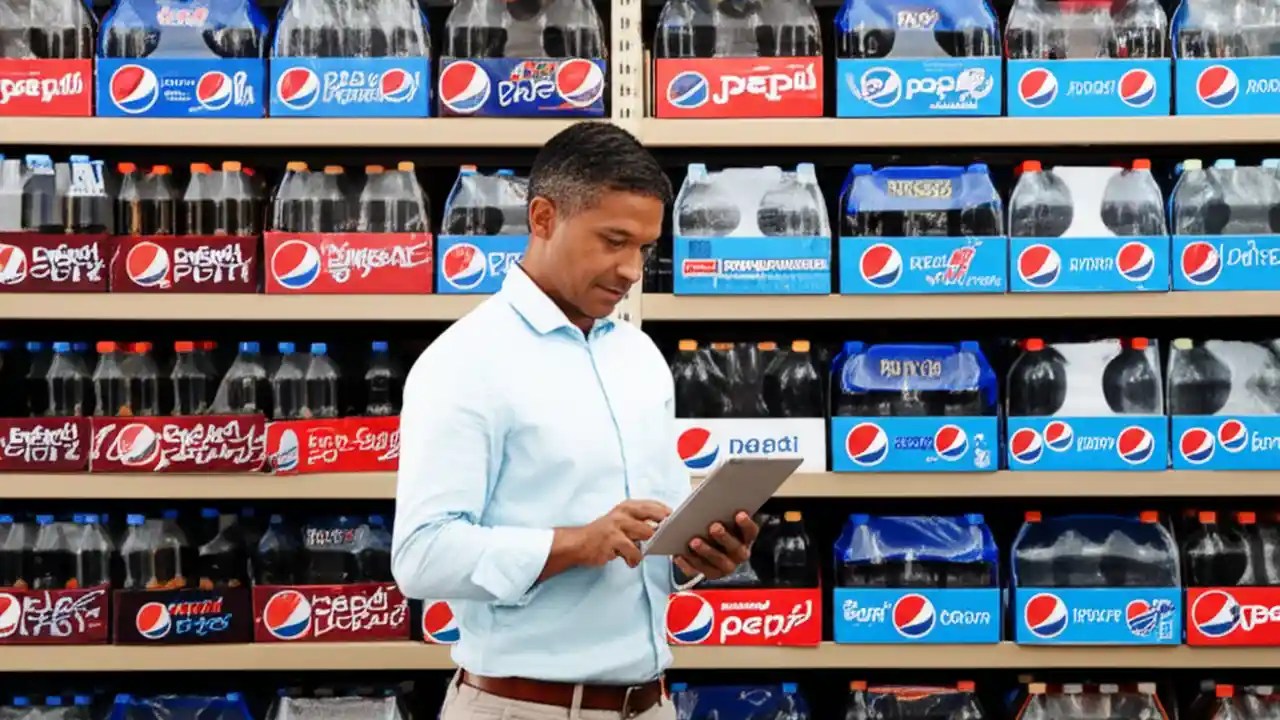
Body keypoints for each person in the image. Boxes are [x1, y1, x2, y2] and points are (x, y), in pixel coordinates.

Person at [392, 122, 759, 720]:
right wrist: (573, 544)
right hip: (520, 706)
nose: (631, 269)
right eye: (612, 240)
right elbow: (421, 556)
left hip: (651, 703)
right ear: (542, 218)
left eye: (644, 248)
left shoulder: (639, 357)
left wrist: (695, 557)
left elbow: (649, 545)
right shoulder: (464, 361)